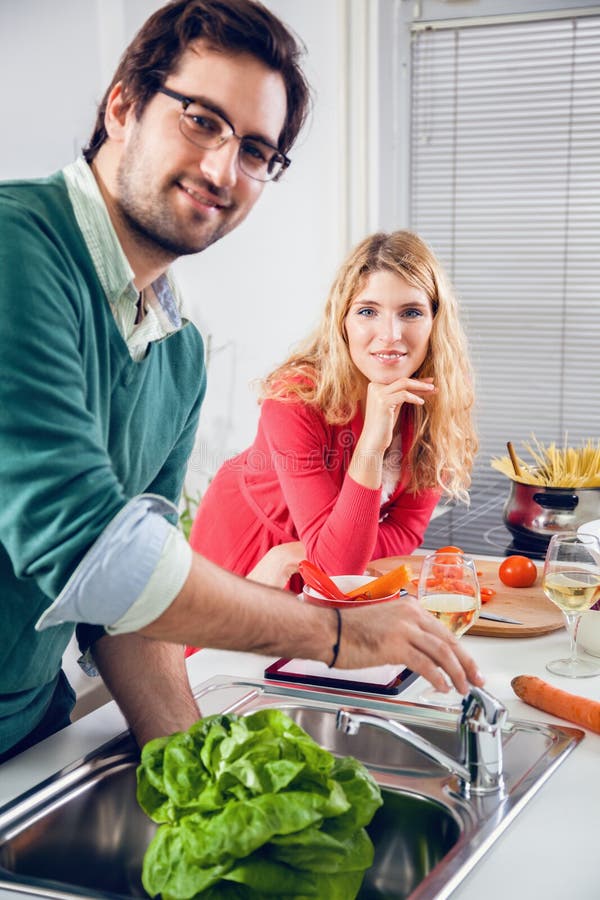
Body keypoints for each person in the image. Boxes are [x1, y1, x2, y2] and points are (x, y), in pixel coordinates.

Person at [0, 0, 483, 764]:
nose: (223, 169)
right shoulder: (17, 252)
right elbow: (92, 549)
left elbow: (124, 614)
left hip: (32, 728)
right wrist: (336, 633)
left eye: (256, 149)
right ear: (123, 106)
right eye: (201, 120)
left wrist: (198, 775)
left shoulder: (179, 352)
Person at [190, 230, 477, 581]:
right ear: (342, 322)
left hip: (311, 559)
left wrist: (302, 553)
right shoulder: (295, 399)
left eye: (411, 312)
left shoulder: (440, 397)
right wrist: (372, 444)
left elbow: (405, 531)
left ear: (435, 321)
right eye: (368, 311)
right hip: (252, 554)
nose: (390, 334)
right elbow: (336, 564)